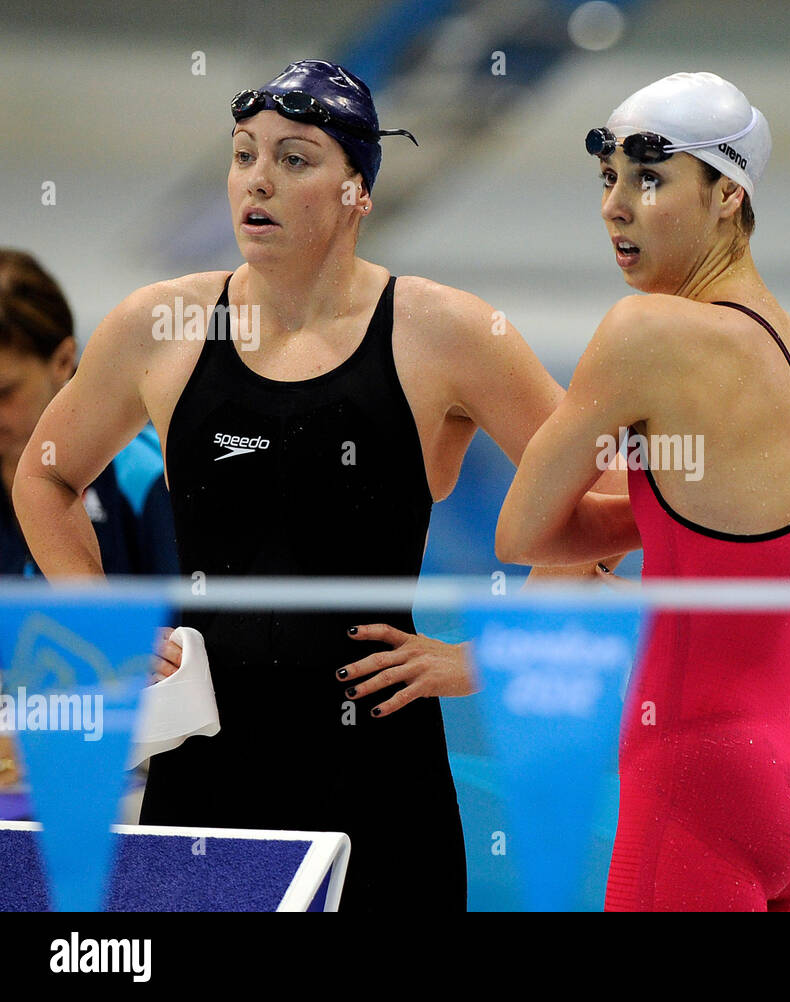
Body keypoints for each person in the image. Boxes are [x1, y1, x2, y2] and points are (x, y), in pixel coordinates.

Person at [13, 59, 603, 912]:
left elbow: (606, 499)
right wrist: (109, 623)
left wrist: (489, 657)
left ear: (357, 190)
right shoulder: (161, 327)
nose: (258, 178)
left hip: (378, 767)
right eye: (245, 154)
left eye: (295, 159)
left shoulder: (445, 333)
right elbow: (46, 476)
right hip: (208, 754)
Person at [495, 72, 790, 911]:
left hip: (690, 784)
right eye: (608, 177)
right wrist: (728, 559)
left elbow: (523, 534)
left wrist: (676, 542)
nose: (616, 204)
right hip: (789, 781)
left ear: (728, 195)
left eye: (650, 179)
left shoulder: (644, 333)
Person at [1, 249, 178, 818]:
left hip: (126, 791)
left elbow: (194, 666)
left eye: (5, 392)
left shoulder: (147, 479)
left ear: (64, 362)